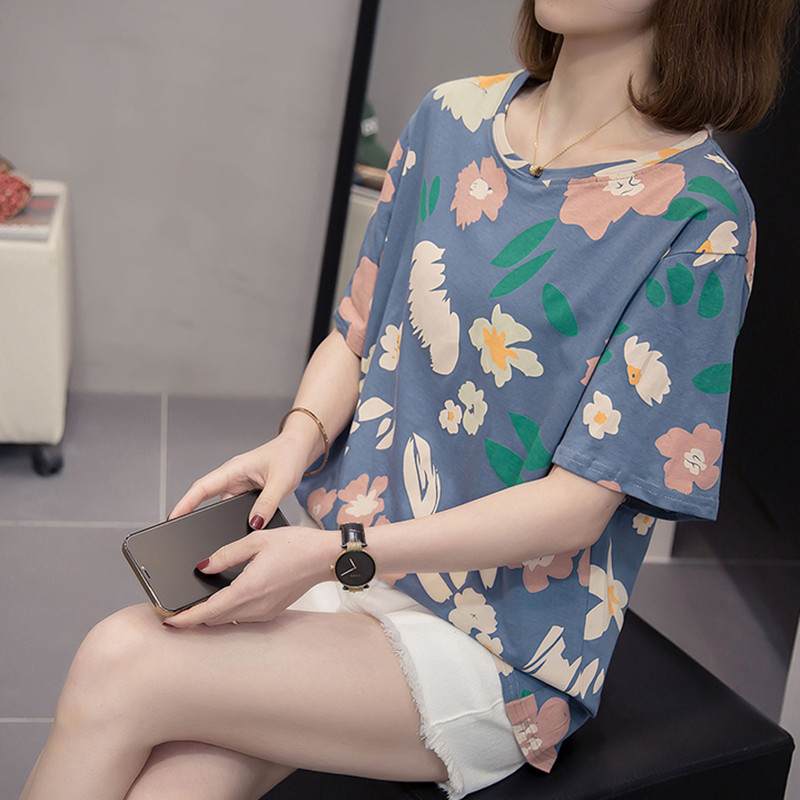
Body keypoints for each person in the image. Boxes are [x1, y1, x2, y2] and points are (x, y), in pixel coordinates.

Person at [20, 1, 797, 798]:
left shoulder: (703, 215)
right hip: (350, 568)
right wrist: (296, 439)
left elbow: (576, 509)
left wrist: (337, 552)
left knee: (120, 661)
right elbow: (357, 333)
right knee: (176, 784)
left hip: (499, 644)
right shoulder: (449, 117)